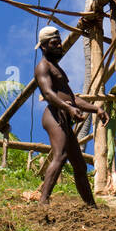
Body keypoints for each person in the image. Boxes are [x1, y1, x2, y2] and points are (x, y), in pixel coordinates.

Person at [34, 26, 107, 209]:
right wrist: (67, 108)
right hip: (54, 116)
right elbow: (48, 94)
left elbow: (73, 98)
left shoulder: (56, 67)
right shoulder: (43, 67)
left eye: (59, 42)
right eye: (53, 43)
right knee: (61, 155)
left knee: (80, 165)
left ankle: (91, 206)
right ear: (44, 47)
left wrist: (95, 109)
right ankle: (43, 202)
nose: (59, 45)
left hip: (64, 118)